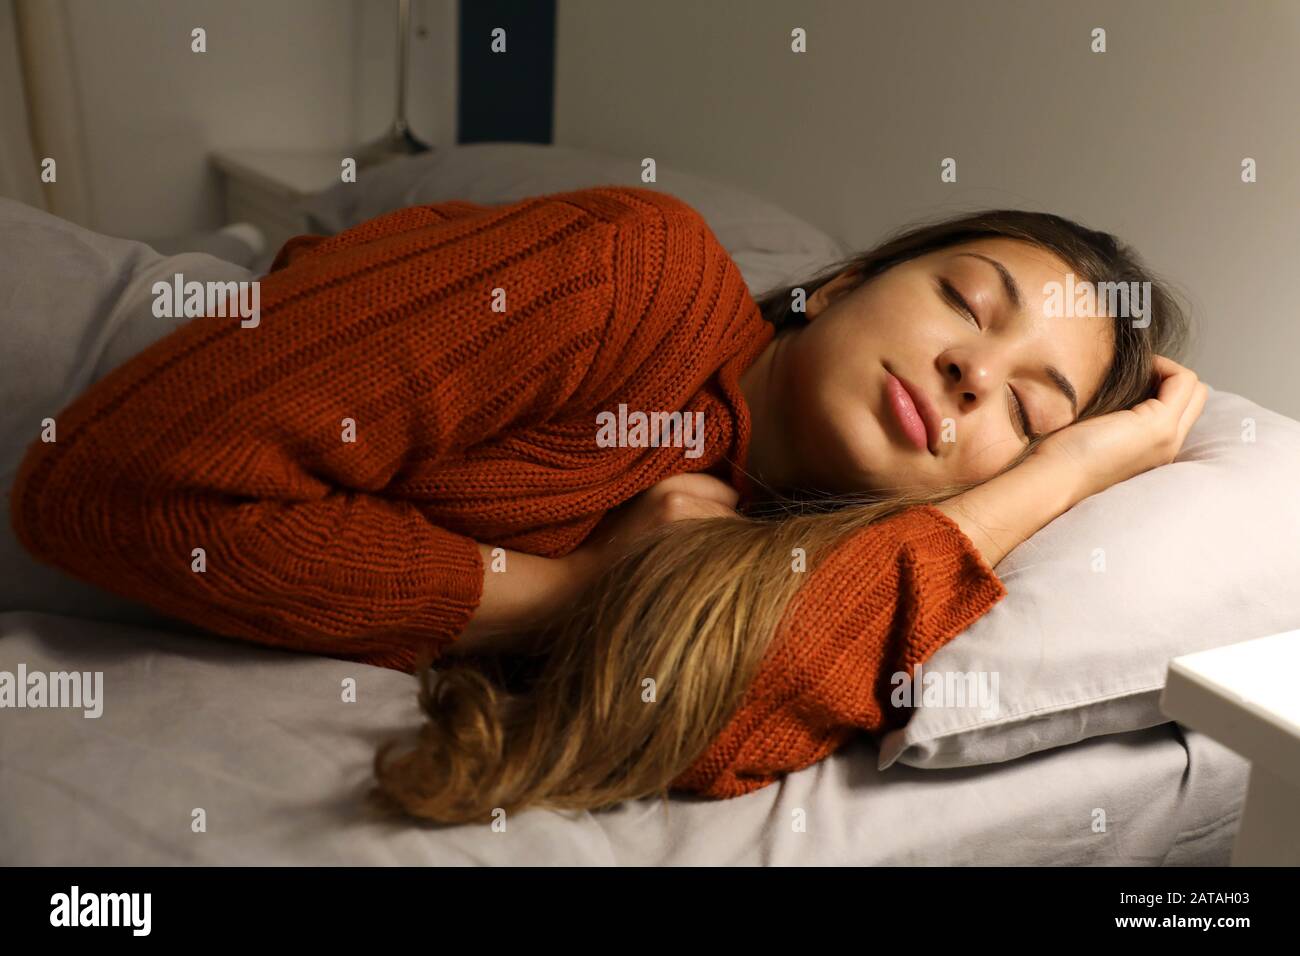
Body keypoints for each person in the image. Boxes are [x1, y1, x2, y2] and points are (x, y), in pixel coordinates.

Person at [8, 188, 1205, 823]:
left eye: (1029, 412)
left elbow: (727, 730)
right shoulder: (638, 276)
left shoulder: (740, 549)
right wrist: (567, 591)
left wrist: (1071, 473)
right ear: (839, 284)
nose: (973, 372)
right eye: (963, 299)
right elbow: (126, 491)